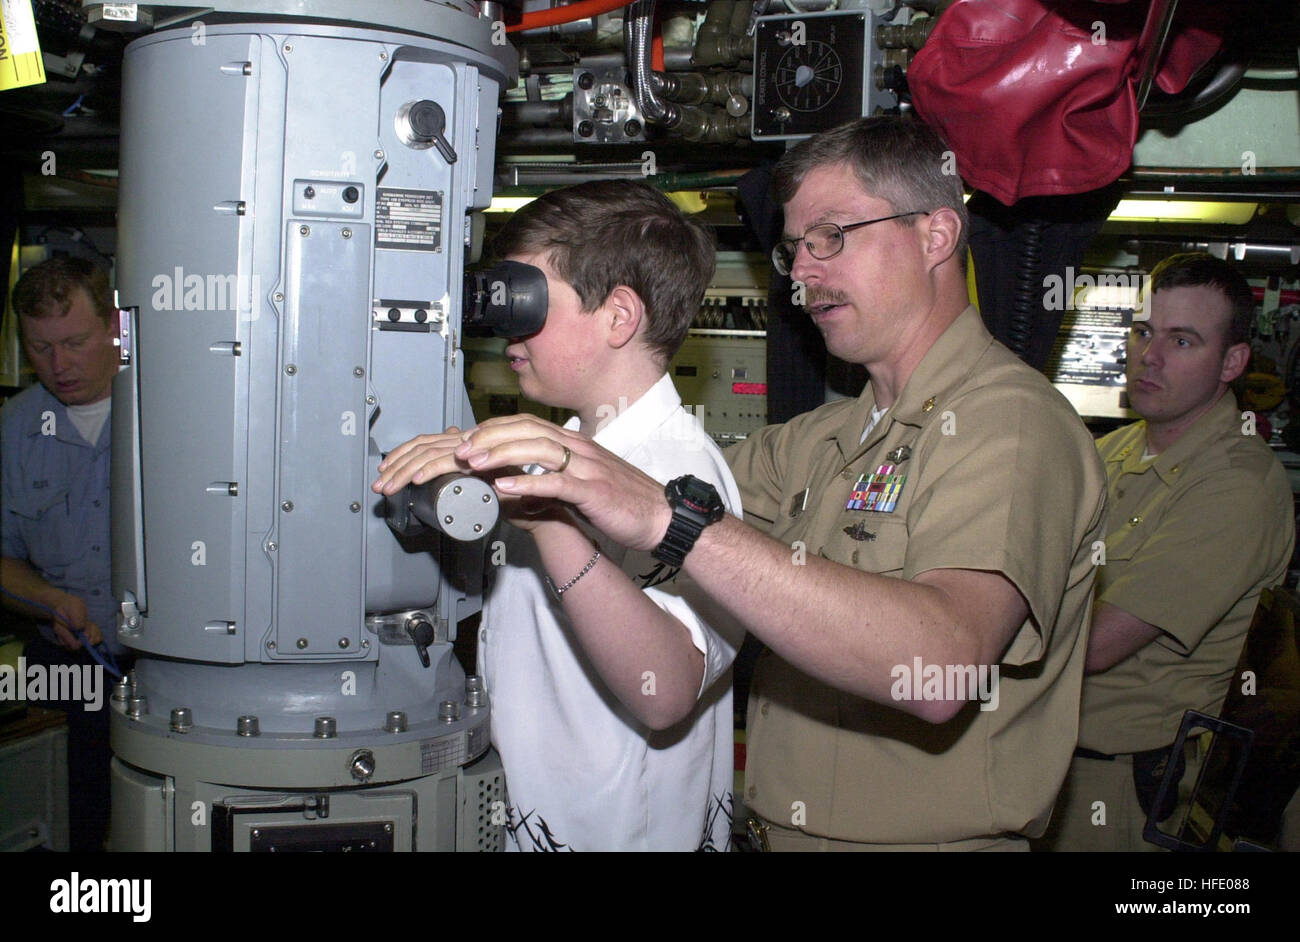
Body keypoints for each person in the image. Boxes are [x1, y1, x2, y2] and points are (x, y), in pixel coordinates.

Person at [428, 116, 1109, 850]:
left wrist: (669, 521)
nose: (803, 271)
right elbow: (643, 458)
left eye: (833, 235)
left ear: (936, 235)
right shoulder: (826, 440)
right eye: (794, 249)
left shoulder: (1009, 425)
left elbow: (940, 670)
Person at [373, 180, 744, 851]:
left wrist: (548, 517)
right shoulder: (572, 446)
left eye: (527, 299)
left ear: (618, 317)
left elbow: (665, 692)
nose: (507, 327)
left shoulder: (679, 472)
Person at [1040, 253, 1294, 852]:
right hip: (1051, 761)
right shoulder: (1113, 452)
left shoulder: (1238, 486)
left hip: (1125, 790)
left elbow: (1096, 643)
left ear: (1233, 361)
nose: (1149, 356)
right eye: (1144, 332)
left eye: (1182, 341)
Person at [2, 255, 126, 851]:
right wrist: (48, 599)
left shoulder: (177, 412)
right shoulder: (15, 427)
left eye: (75, 342)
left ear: (114, 327)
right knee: (64, 821)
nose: (59, 365)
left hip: (167, 668)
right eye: (41, 348)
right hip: (64, 668)